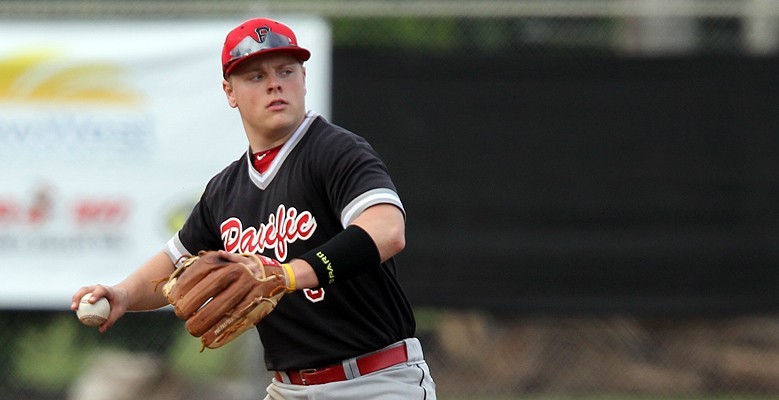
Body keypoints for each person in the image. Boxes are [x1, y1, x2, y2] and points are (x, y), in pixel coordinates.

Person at [71, 17, 437, 399]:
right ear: (230, 92)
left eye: (285, 70)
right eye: (256, 76)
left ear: (304, 79)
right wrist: (123, 295)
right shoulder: (225, 191)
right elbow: (174, 261)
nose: (275, 83)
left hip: (374, 381)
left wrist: (287, 275)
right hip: (288, 389)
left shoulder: (335, 151)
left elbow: (386, 231)